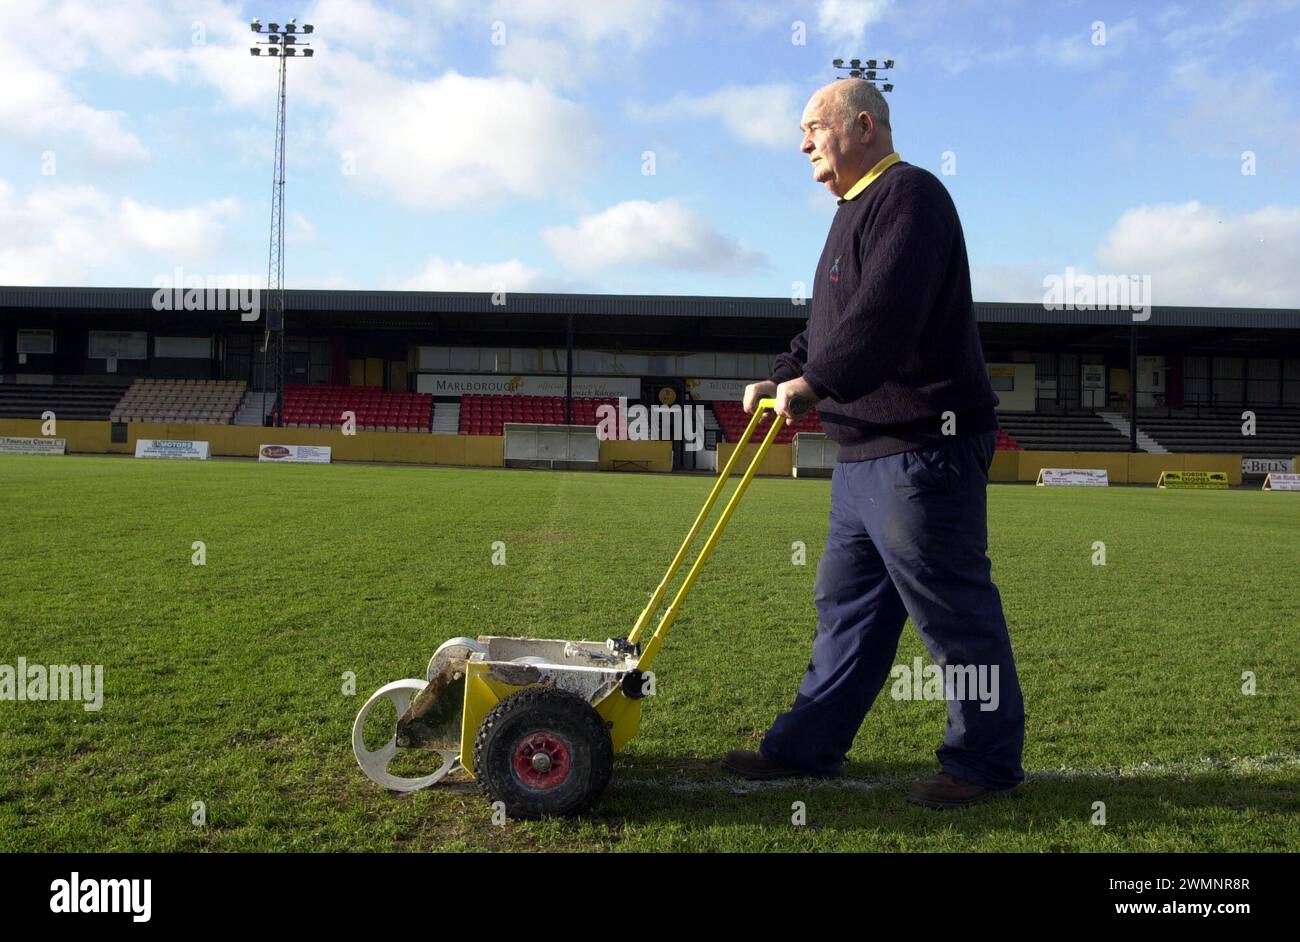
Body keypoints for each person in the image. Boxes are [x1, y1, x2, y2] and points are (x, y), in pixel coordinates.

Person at [721, 78, 1026, 808]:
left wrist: (818, 382)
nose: (802, 145)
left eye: (812, 128)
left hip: (925, 445)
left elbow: (883, 316)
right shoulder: (850, 212)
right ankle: (806, 748)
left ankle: (983, 765)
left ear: (862, 126)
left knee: (951, 612)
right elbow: (832, 324)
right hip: (866, 455)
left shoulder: (911, 197)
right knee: (847, 607)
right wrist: (788, 372)